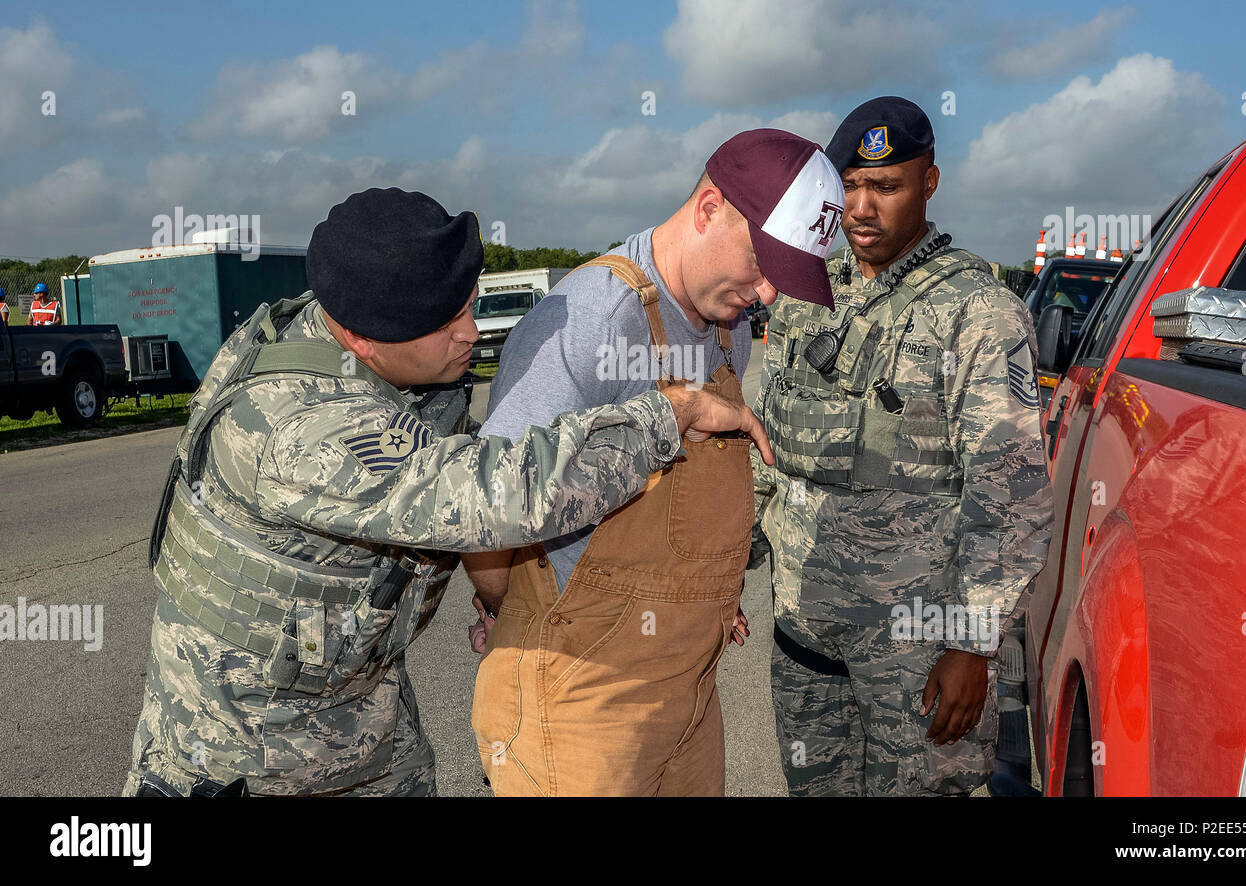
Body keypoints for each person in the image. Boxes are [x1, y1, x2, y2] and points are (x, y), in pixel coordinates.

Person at [122, 186, 770, 798]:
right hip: (243, 743)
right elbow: (496, 495)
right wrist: (666, 416)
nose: (470, 332)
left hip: (361, 697)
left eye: (467, 304)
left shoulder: (373, 314)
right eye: (444, 322)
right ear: (361, 340)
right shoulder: (299, 426)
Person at [468, 129, 845, 796]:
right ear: (708, 210)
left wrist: (693, 601)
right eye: (762, 268)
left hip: (688, 695)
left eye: (781, 279)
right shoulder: (590, 317)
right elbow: (485, 504)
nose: (766, 296)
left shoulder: (725, 327)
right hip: (584, 704)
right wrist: (527, 608)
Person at [752, 97, 1054, 796]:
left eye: (885, 186)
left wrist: (973, 644)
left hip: (916, 646)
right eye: (849, 185)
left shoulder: (979, 314)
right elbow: (767, 447)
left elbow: (1008, 495)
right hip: (803, 628)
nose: (861, 207)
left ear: (929, 182)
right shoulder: (803, 298)